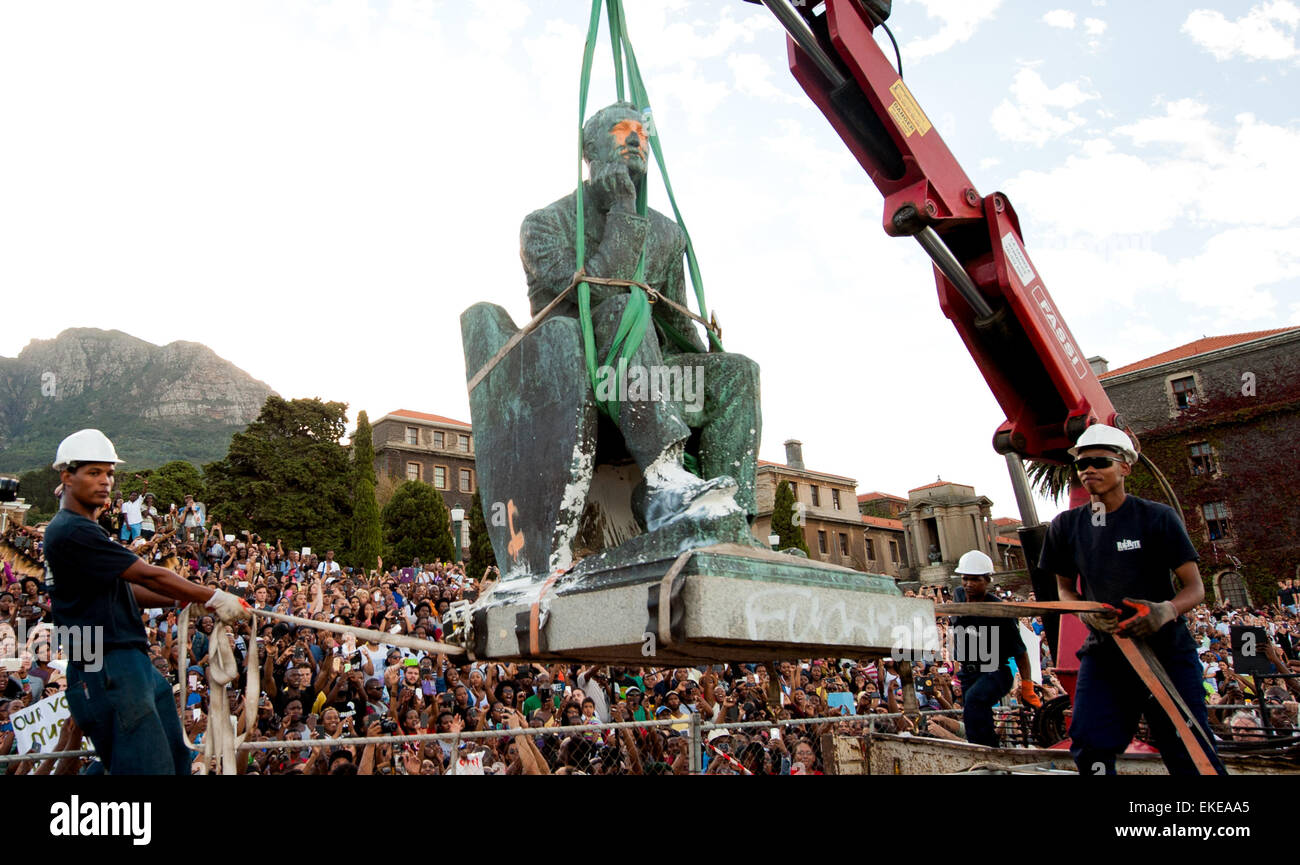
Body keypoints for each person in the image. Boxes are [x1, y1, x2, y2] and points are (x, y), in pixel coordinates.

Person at [520, 101, 761, 532]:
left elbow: (676, 328)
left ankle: (733, 519)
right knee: (620, 304)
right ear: (590, 147)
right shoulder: (545, 224)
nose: (636, 138)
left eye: (642, 131)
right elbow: (596, 295)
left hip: (645, 379)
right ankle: (661, 478)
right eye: (620, 129)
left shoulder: (668, 233)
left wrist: (710, 357)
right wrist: (622, 211)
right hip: (576, 382)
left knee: (737, 373)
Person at [43, 429, 251, 775]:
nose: (106, 481)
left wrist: (182, 601)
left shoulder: (82, 530)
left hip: (128, 662)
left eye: (109, 473)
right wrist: (211, 595)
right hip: (108, 663)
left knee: (175, 764)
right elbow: (146, 574)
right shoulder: (71, 530)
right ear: (66, 475)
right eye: (94, 472)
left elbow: (126, 590)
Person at [1040, 424, 1226, 775]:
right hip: (1107, 652)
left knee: (1188, 746)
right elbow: (1065, 590)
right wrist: (1084, 613)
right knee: (1090, 744)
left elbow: (1195, 588)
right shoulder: (1065, 527)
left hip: (1166, 649)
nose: (1088, 469)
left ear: (1125, 466)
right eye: (1082, 464)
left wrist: (1165, 610)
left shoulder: (1156, 518)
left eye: (1099, 461)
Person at [947, 550, 1039, 747]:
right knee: (974, 720)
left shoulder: (999, 610)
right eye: (965, 579)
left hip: (995, 671)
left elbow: (1020, 652)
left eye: (975, 579)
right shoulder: (959, 594)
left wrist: (1027, 685)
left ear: (987, 580)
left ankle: (988, 750)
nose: (968, 584)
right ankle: (985, 750)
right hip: (968, 672)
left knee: (974, 700)